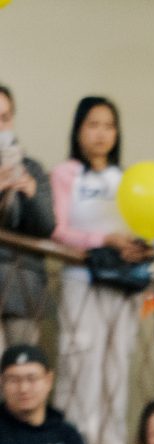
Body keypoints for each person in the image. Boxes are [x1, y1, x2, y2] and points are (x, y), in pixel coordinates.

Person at [49, 97, 152, 444]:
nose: (101, 133)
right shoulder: (66, 173)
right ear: (79, 130)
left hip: (122, 288)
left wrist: (139, 246)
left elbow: (144, 225)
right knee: (80, 367)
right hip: (81, 282)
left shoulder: (125, 179)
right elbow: (58, 230)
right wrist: (103, 239)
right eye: (93, 124)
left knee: (115, 372)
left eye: (109, 125)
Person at [0, 85, 55, 350]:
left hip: (23, 290)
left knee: (21, 376)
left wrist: (30, 192)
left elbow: (47, 226)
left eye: (5, 118)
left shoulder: (32, 168)